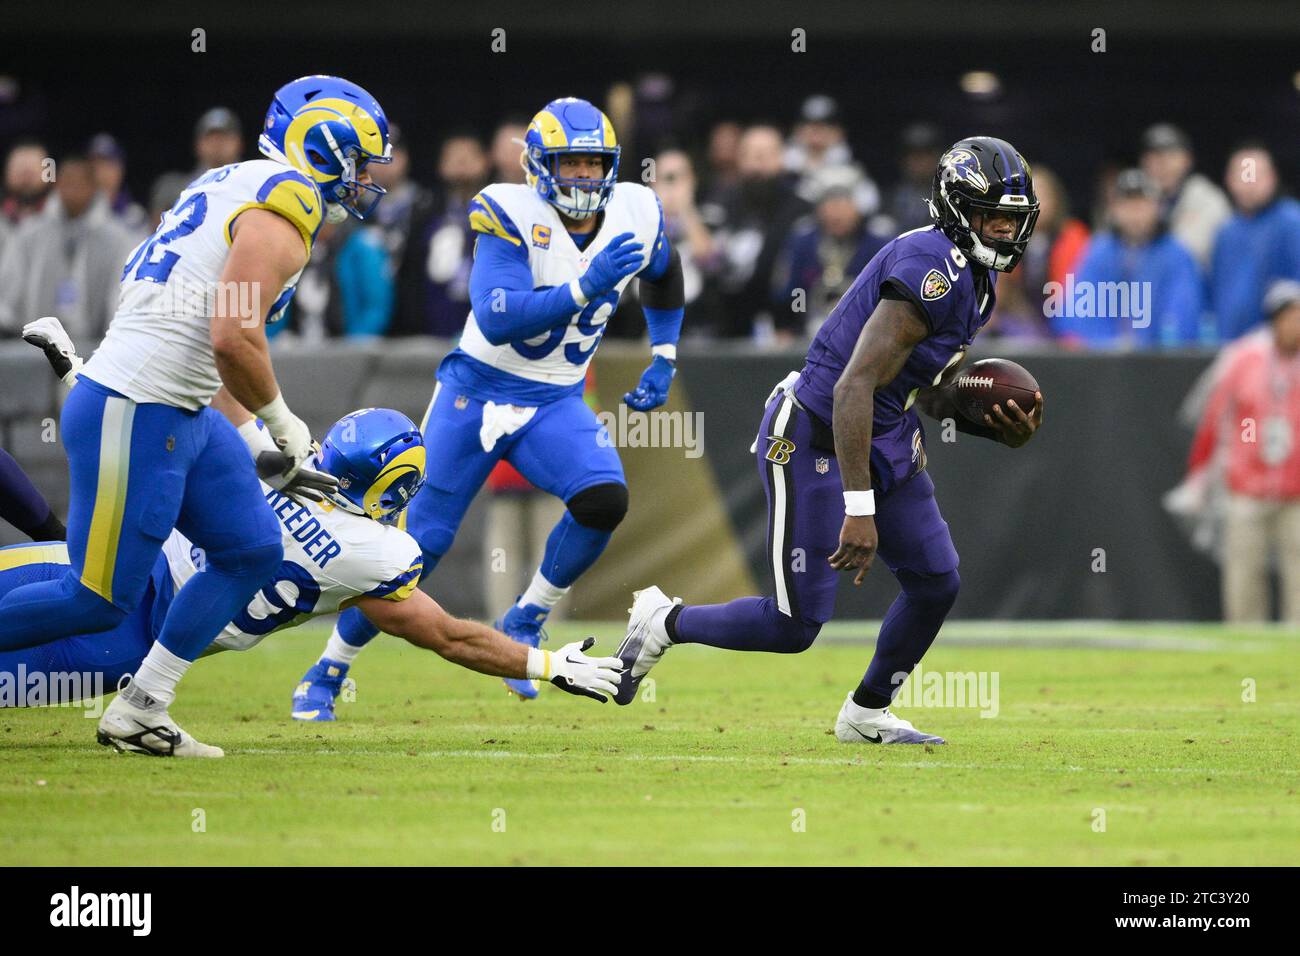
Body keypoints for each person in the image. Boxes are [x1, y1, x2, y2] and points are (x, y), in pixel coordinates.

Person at [0, 75, 392, 757]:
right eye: (358, 161)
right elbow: (232, 334)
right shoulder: (289, 199)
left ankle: (142, 707)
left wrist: (249, 437)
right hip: (138, 405)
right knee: (95, 599)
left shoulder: (229, 181)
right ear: (323, 145)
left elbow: (192, 331)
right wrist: (285, 425)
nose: (362, 180)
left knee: (251, 550)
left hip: (177, 403)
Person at [614, 138, 1044, 744]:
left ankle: (867, 711)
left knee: (936, 581)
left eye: (1012, 220)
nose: (1003, 232)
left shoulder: (974, 280)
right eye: (991, 217)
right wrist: (859, 507)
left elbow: (936, 388)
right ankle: (664, 621)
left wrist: (996, 426)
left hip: (885, 427)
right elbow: (852, 387)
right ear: (956, 209)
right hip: (815, 431)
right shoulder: (932, 272)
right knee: (794, 625)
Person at [292, 97, 686, 715]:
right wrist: (585, 284)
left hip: (554, 395)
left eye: (593, 163)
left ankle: (526, 616)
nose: (583, 176)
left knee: (604, 499)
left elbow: (665, 270)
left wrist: (664, 353)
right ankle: (327, 670)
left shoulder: (637, 208)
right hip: (476, 390)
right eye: (569, 162)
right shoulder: (507, 209)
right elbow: (498, 315)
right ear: (538, 165)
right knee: (415, 547)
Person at [0, 345, 622, 731]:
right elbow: (451, 637)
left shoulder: (282, 464)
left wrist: (91, 377)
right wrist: (549, 662)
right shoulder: (374, 555)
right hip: (132, 632)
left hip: (121, 575)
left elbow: (170, 426)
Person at [1183, 280, 1300, 623]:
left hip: (1296, 490)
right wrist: (1199, 476)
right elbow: (1213, 418)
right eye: (1288, 316)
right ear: (1274, 320)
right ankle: (1244, 656)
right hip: (1247, 486)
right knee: (1243, 580)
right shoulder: (1244, 358)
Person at [1053, 169, 1203, 348]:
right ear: (1114, 209)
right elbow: (1076, 311)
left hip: (1158, 363)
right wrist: (1108, 345)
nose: (1134, 214)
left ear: (1158, 208)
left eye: (1142, 205)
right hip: (1104, 363)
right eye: (1127, 205)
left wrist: (1149, 347)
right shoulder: (1099, 252)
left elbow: (1183, 314)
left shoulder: (1176, 255)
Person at [0, 152, 137, 341]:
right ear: (57, 186)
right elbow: (9, 295)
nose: (72, 190)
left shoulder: (118, 240)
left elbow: (119, 299)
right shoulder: (29, 234)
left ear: (93, 187)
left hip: (94, 346)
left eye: (79, 184)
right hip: (34, 349)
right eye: (67, 183)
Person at [702, 124, 810, 340]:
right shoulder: (721, 203)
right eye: (752, 155)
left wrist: (795, 323)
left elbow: (805, 276)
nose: (759, 163)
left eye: (767, 154)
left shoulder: (802, 209)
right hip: (726, 325)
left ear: (782, 158)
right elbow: (707, 262)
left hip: (786, 324)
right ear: (740, 159)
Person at [775, 164, 888, 336]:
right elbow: (793, 292)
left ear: (859, 206)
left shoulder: (878, 243)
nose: (836, 212)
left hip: (867, 335)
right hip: (808, 334)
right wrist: (794, 324)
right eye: (829, 203)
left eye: (844, 203)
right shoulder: (803, 242)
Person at [1209, 142, 1300, 341]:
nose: (1250, 183)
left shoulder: (1292, 222)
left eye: (1257, 175)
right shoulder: (1226, 232)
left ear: (1272, 178)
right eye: (1243, 176)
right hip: (1230, 345)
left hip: (1279, 348)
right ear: (1229, 180)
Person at [1139, 123, 1230, 269]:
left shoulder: (1207, 197)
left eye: (1171, 156)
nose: (1163, 165)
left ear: (1187, 160)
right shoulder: (1136, 199)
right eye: (1155, 157)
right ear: (1144, 162)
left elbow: (1191, 253)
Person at [148, 107, 245, 225]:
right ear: (197, 145)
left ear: (239, 143)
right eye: (211, 138)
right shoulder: (174, 189)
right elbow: (157, 235)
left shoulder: (252, 184)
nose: (217, 144)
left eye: (224, 137)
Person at [87, 133, 148, 236]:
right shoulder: (74, 209)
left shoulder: (134, 215)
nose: (100, 172)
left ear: (120, 170)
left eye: (107, 165)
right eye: (95, 165)